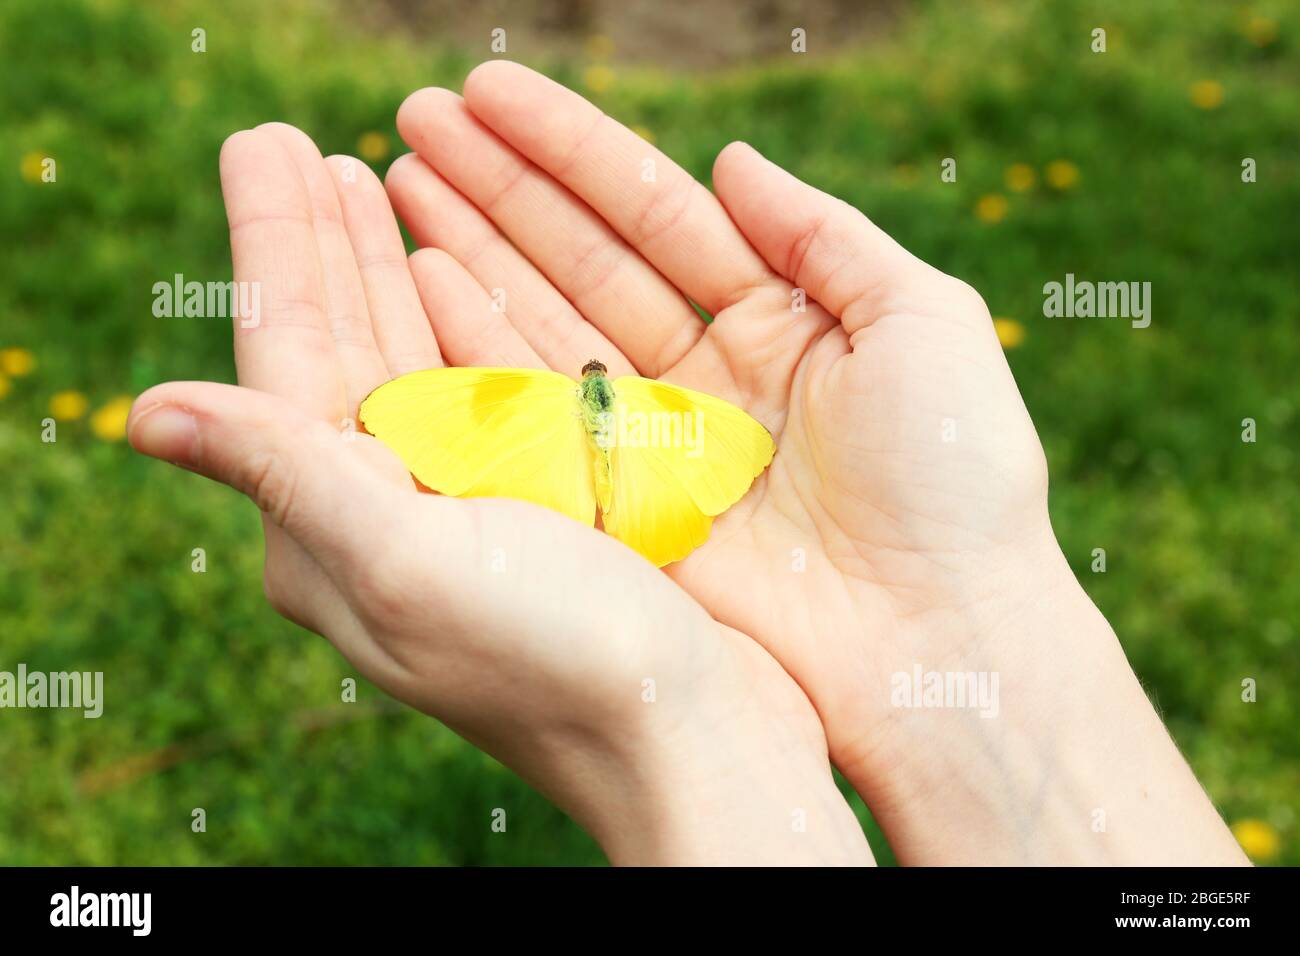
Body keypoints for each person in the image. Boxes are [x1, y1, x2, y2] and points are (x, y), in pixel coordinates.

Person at [126, 61, 1247, 866]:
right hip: (667, 476)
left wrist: (685, 743)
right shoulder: (688, 414)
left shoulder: (542, 400)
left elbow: (446, 421)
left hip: (547, 461)